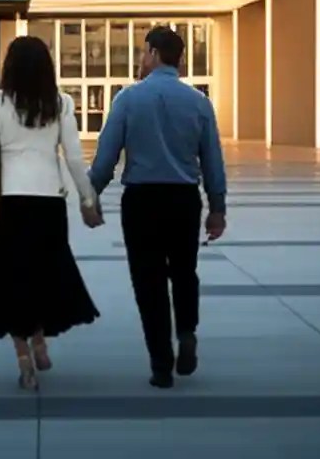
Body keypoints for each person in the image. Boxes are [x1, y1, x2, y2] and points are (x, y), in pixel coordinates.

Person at [0, 36, 102, 390]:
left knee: (8, 280)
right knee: (45, 275)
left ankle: (23, 357)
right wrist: (87, 199)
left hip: (10, 204)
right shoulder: (60, 103)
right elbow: (74, 158)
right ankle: (41, 340)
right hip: (49, 203)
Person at [87, 26, 227, 389]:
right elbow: (213, 160)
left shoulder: (128, 100)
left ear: (151, 52)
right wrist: (217, 208)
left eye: (142, 53)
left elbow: (106, 158)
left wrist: (92, 195)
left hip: (142, 202)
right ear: (180, 58)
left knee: (147, 281)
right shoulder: (199, 102)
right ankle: (187, 331)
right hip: (183, 199)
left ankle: (161, 363)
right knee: (184, 271)